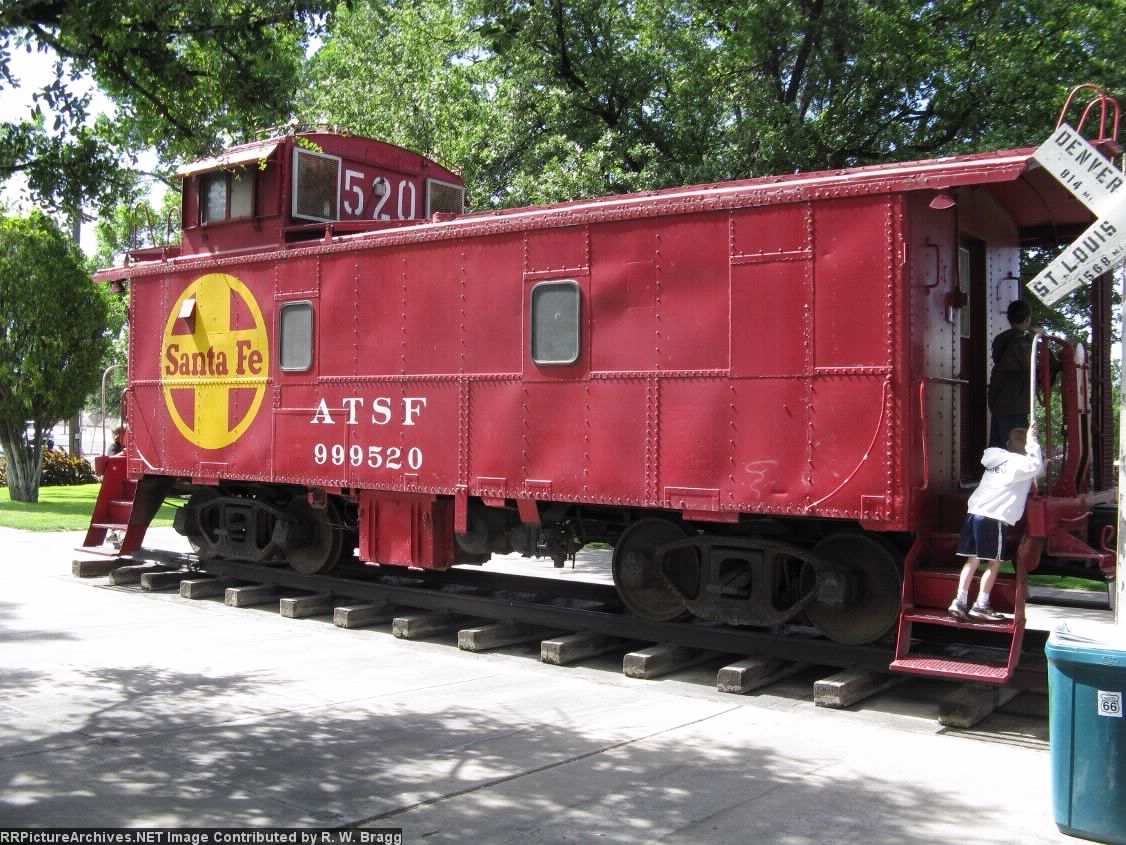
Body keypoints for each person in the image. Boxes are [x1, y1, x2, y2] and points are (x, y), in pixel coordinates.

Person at [949, 425, 1043, 621]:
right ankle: (981, 605)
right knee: (994, 563)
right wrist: (1032, 441)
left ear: (1008, 444)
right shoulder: (1021, 464)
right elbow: (1034, 466)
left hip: (975, 513)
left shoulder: (996, 458)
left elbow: (1031, 471)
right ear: (1025, 449)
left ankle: (959, 601)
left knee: (972, 560)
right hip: (994, 517)